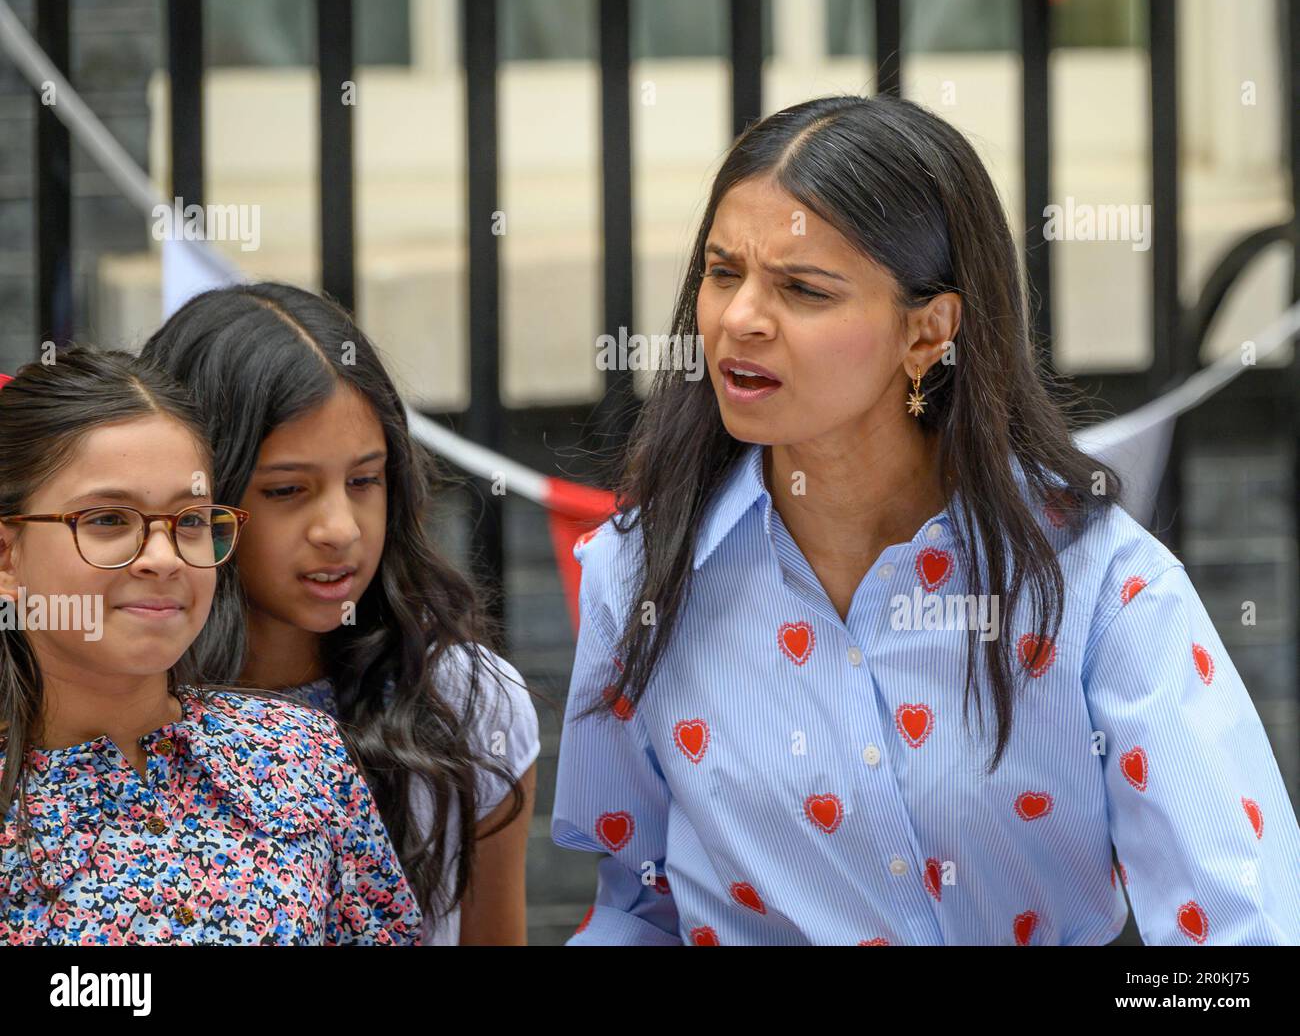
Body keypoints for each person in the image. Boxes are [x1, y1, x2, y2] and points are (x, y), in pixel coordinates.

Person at [551, 93, 1300, 946]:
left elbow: (1242, 934)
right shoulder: (640, 576)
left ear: (928, 332)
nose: (739, 319)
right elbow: (637, 909)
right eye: (724, 273)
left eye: (802, 288)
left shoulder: (1099, 585)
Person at [142, 283, 540, 945]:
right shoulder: (108, 701)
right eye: (288, 490)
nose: (339, 529)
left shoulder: (468, 705)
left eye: (364, 480)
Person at [0, 347, 421, 945]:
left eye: (190, 521)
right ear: (7, 556)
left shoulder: (299, 757)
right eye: (107, 520)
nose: (163, 558)